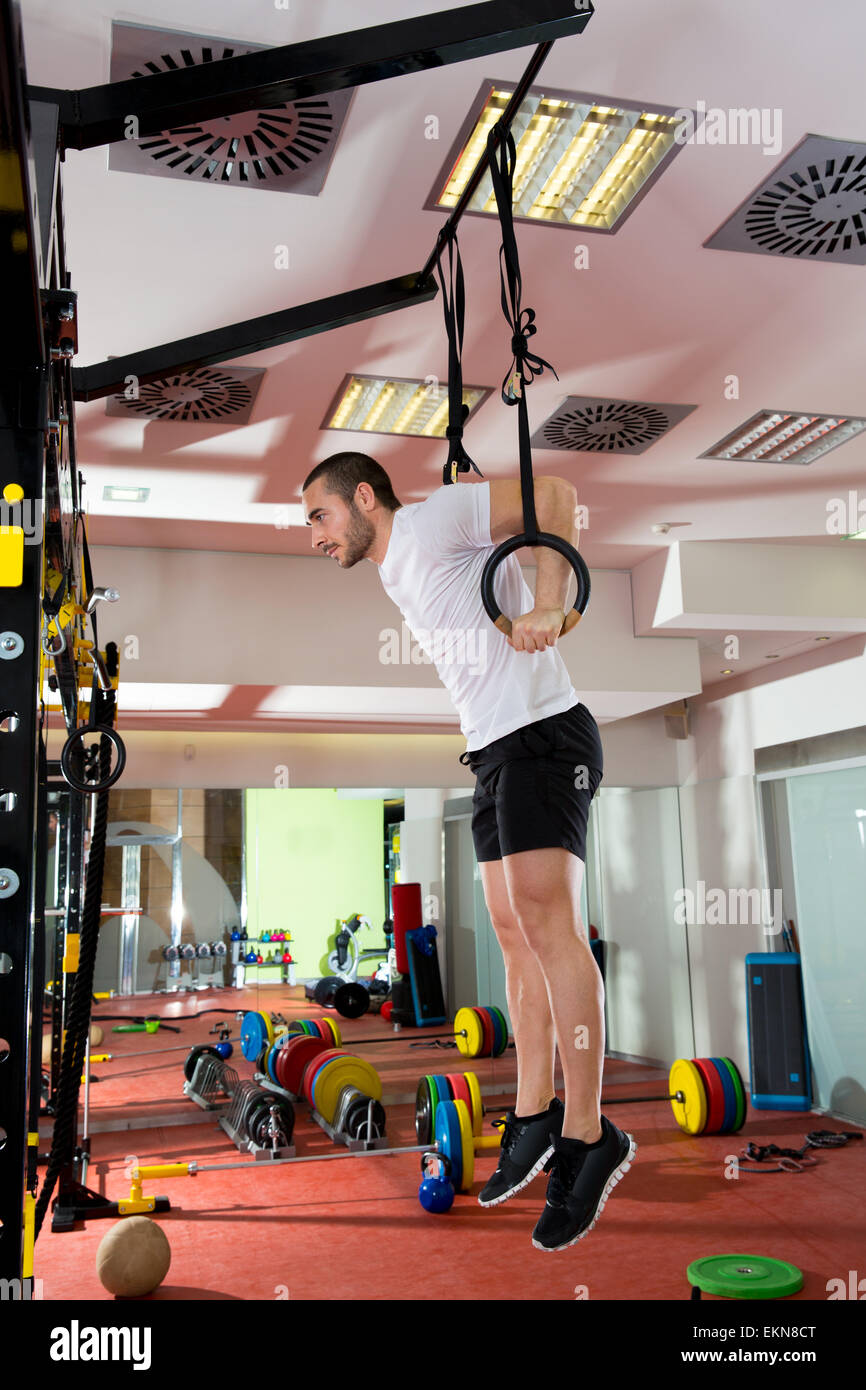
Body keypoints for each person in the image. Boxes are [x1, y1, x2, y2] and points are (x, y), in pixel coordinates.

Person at [302, 451, 636, 1251]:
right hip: (491, 751)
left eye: (319, 515)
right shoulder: (400, 564)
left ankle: (591, 1137)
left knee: (552, 931)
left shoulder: (425, 520)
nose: (312, 534)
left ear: (366, 497)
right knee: (514, 934)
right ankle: (533, 1112)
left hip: (544, 734)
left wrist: (549, 606)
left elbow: (554, 496)